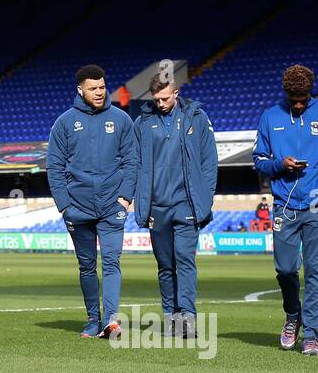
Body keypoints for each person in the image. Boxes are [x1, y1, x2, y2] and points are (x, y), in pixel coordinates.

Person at [252, 64, 318, 357]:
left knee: (316, 272)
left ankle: (311, 334)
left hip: (317, 206)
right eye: (293, 99)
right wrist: (279, 165)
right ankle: (292, 314)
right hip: (284, 207)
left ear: (311, 92)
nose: (298, 104)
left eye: (303, 98)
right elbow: (259, 160)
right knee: (285, 270)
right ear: (285, 93)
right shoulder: (270, 117)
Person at [47, 64, 137, 339]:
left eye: (102, 87)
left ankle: (112, 321)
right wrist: (65, 204)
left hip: (112, 206)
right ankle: (91, 320)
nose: (99, 92)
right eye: (93, 88)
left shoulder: (121, 119)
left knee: (111, 261)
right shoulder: (64, 123)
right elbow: (54, 166)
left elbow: (132, 160)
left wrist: (125, 197)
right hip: (78, 208)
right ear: (80, 90)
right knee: (86, 266)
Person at [132, 72, 218, 338]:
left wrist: (206, 196)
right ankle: (170, 318)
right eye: (156, 99)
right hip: (157, 206)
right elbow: (135, 163)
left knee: (185, 260)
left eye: (165, 98)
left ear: (176, 93)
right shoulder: (143, 123)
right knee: (165, 265)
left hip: (186, 204)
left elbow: (209, 161)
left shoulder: (196, 118)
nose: (161, 104)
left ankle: (188, 318)